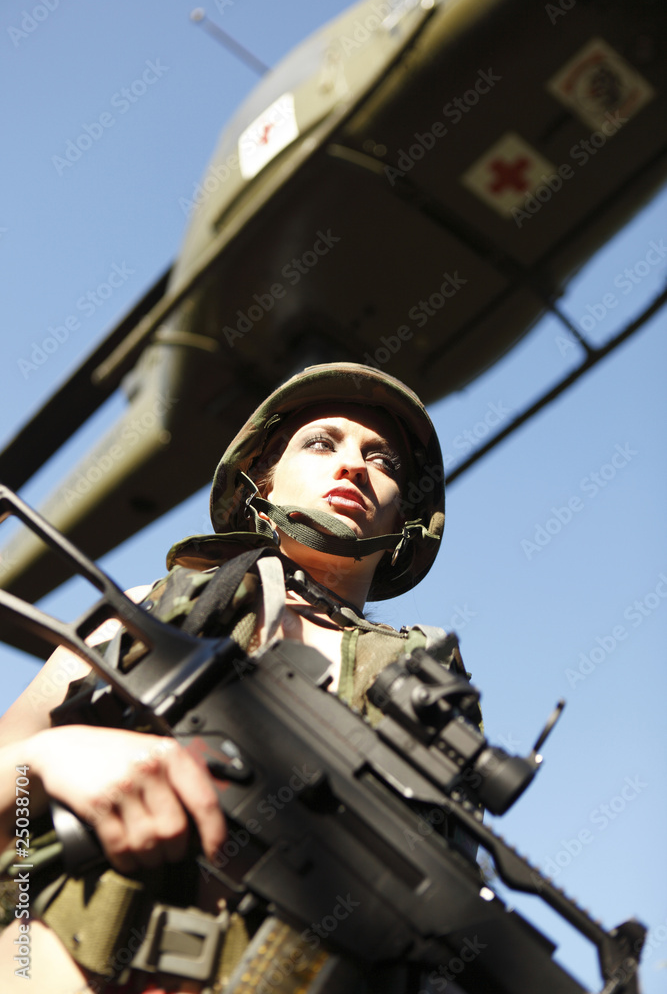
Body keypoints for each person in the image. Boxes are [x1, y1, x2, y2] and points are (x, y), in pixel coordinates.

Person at [0, 362, 458, 994]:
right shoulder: (152, 613)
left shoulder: (424, 686)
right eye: (321, 443)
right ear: (258, 486)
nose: (354, 465)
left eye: (384, 461)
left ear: (401, 527)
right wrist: (48, 761)